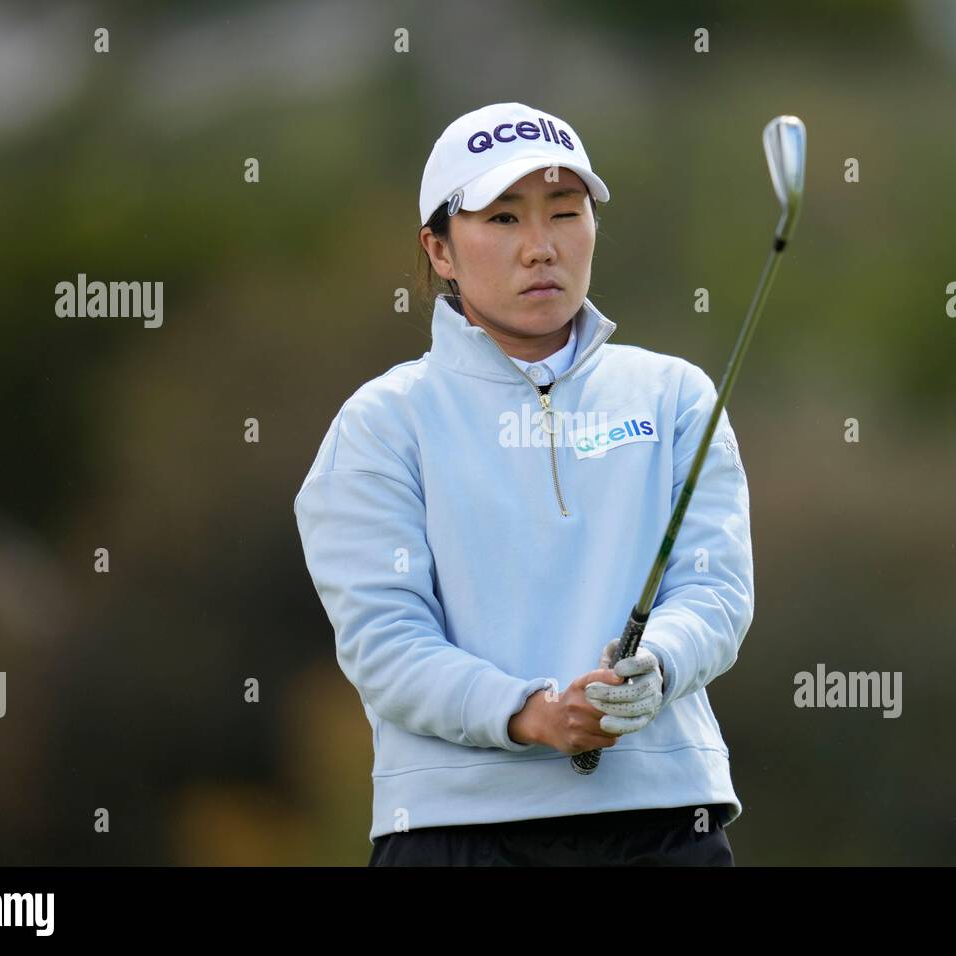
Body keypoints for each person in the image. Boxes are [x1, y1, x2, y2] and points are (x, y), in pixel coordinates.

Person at [293, 102, 754, 866]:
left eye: (565, 213)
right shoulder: (382, 422)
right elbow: (385, 642)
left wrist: (656, 667)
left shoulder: (675, 396)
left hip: (666, 823)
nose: (541, 248)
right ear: (439, 250)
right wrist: (528, 713)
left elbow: (716, 592)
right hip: (454, 833)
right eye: (503, 220)